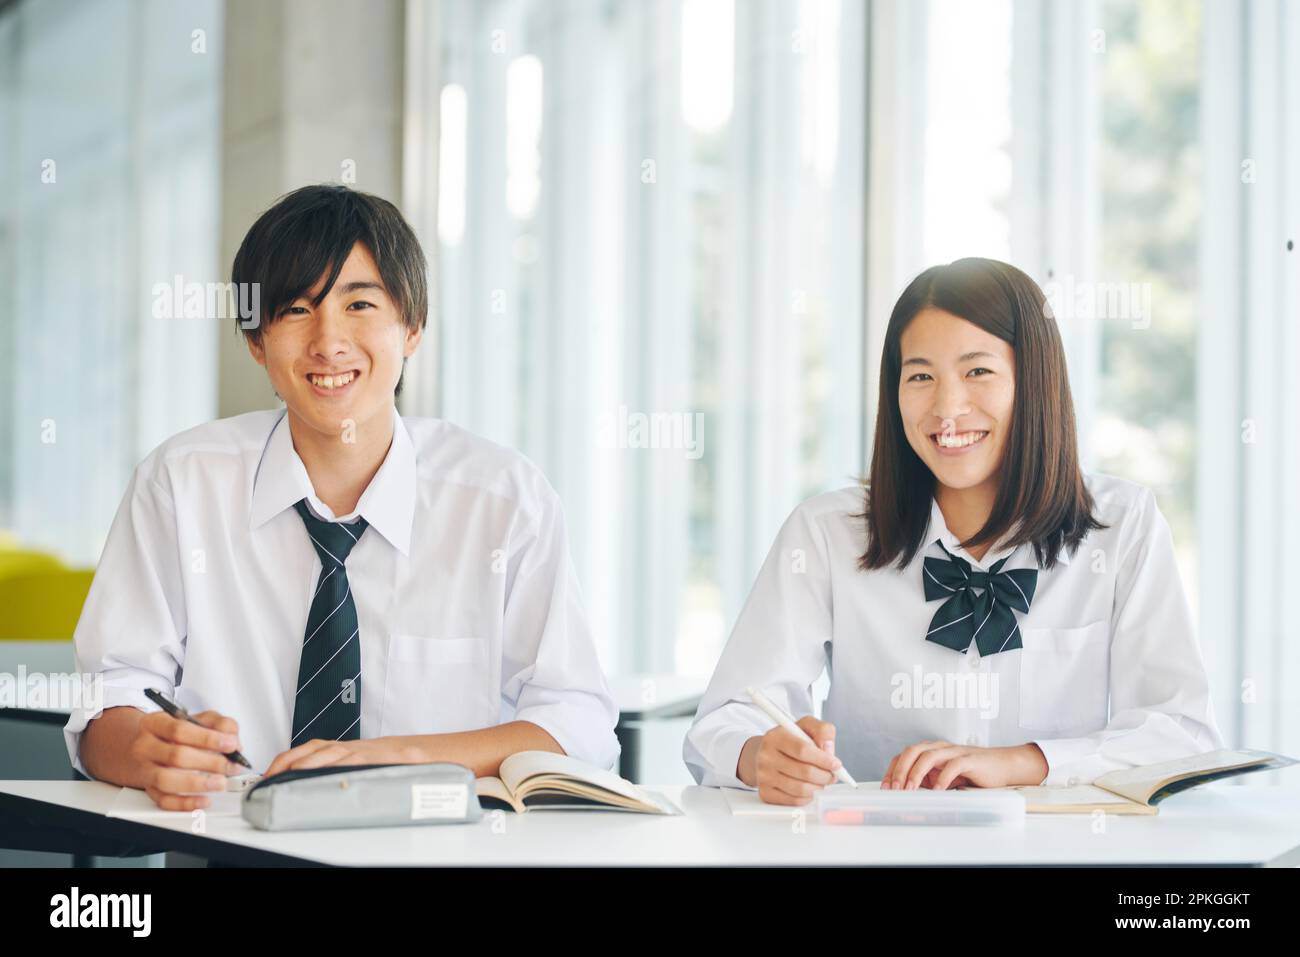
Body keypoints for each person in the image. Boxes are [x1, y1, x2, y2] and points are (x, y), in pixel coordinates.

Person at [67, 185, 619, 810]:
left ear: (412, 327)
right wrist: (148, 750)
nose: (329, 342)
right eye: (297, 310)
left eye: (359, 304)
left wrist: (397, 757)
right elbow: (104, 707)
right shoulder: (181, 483)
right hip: (229, 848)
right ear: (256, 341)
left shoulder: (502, 502)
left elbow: (579, 723)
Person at [684, 257, 1222, 805]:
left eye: (977, 371)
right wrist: (760, 757)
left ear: (1033, 382)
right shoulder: (825, 533)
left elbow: (1182, 734)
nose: (947, 409)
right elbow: (722, 723)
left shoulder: (1122, 526)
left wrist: (1023, 763)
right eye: (920, 376)